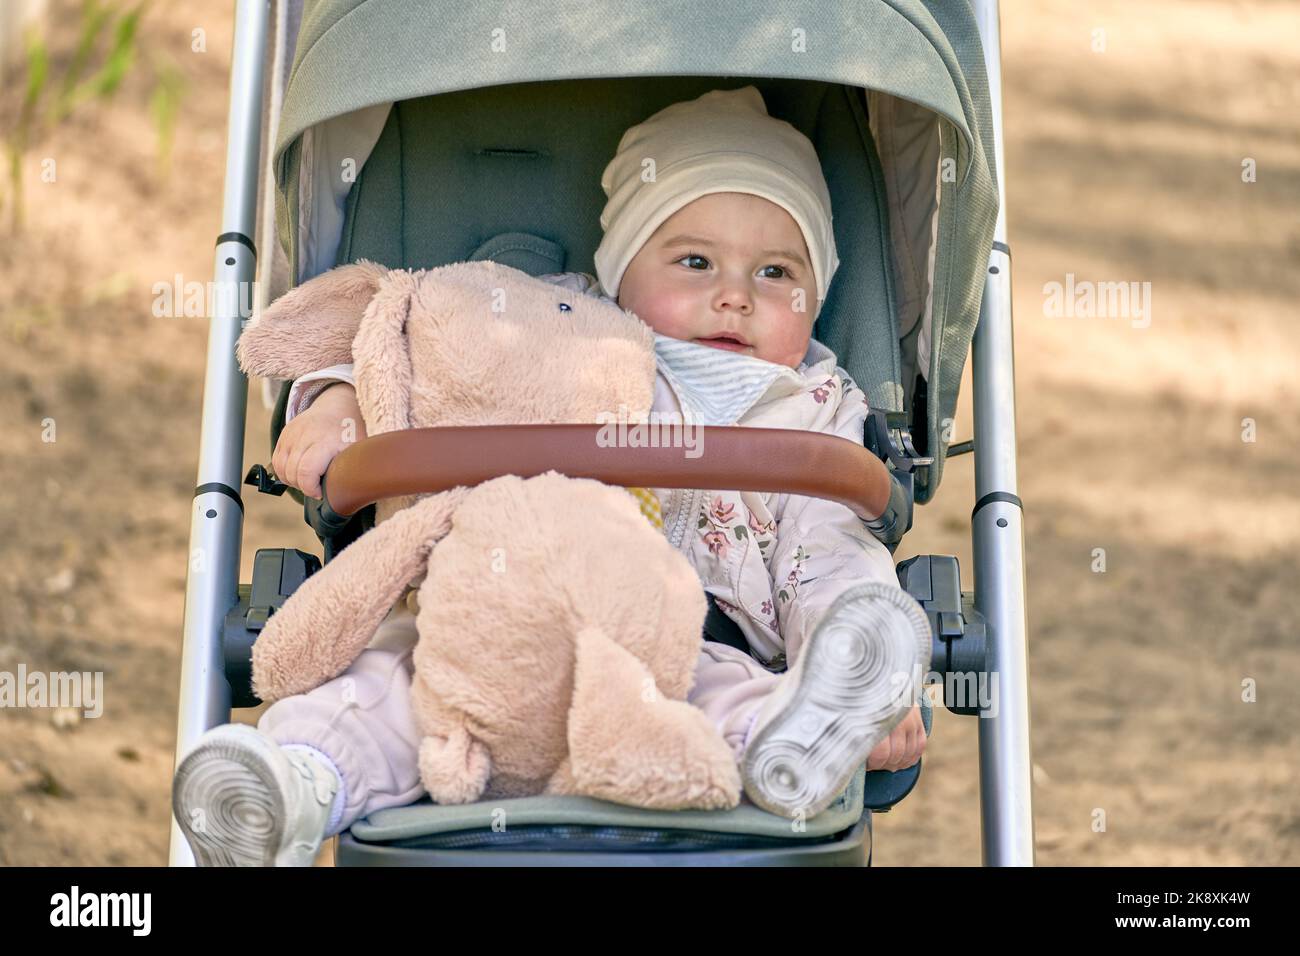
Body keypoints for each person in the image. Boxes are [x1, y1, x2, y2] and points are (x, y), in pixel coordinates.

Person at [172, 86, 930, 866]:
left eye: (777, 271)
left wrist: (856, 659)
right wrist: (337, 401)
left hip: (688, 644)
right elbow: (421, 343)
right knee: (392, 677)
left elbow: (827, 547)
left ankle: (811, 730)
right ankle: (296, 782)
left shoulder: (816, 410)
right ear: (619, 268)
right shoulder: (562, 325)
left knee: (732, 697)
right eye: (695, 261)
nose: (735, 294)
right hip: (494, 614)